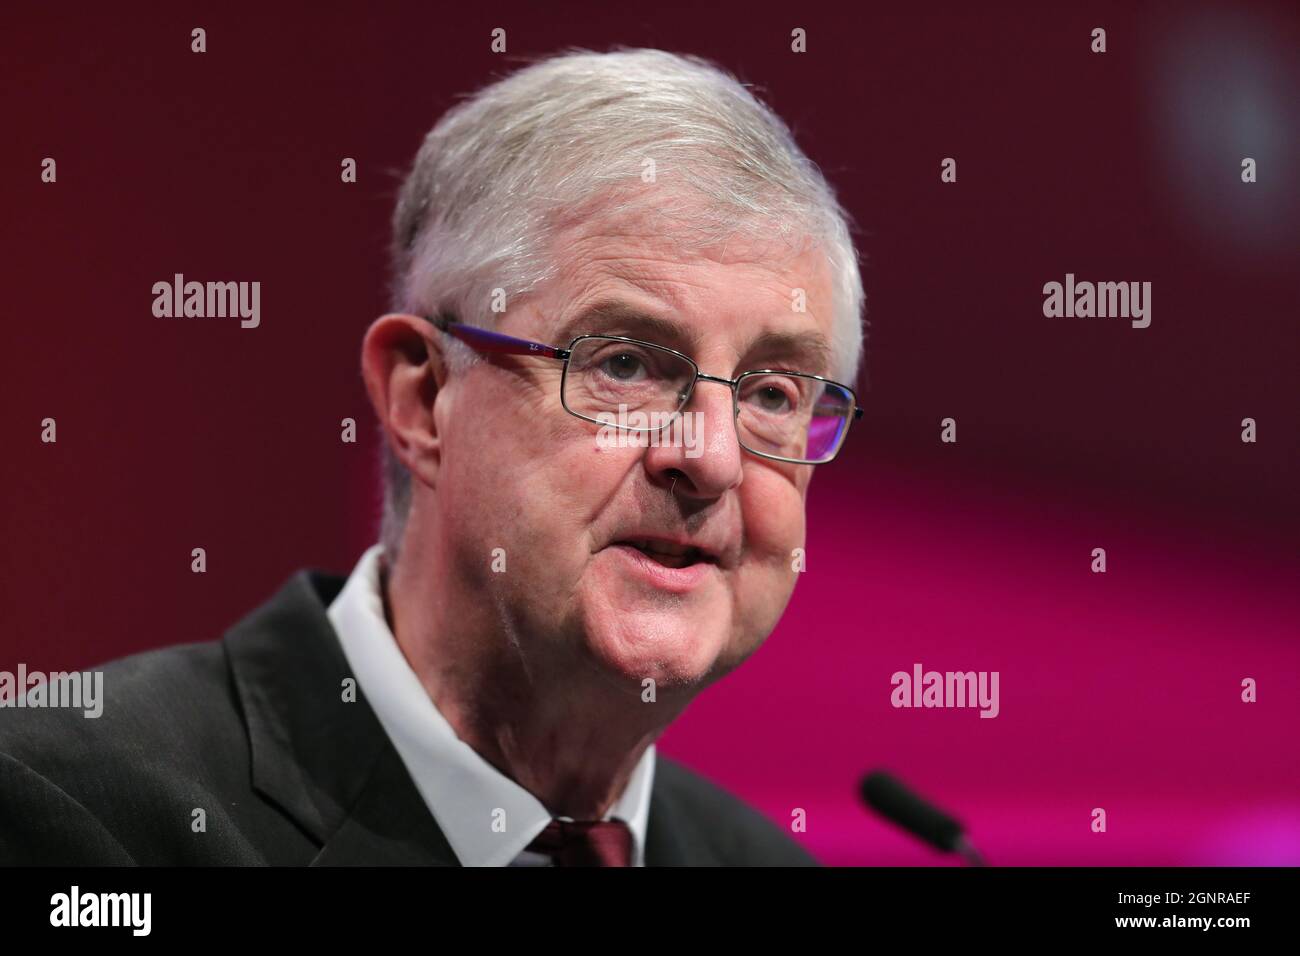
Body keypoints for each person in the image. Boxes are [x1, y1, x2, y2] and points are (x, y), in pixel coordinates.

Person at [0, 46, 865, 866]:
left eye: (770, 395)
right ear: (421, 399)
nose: (710, 458)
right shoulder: (75, 810)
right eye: (626, 364)